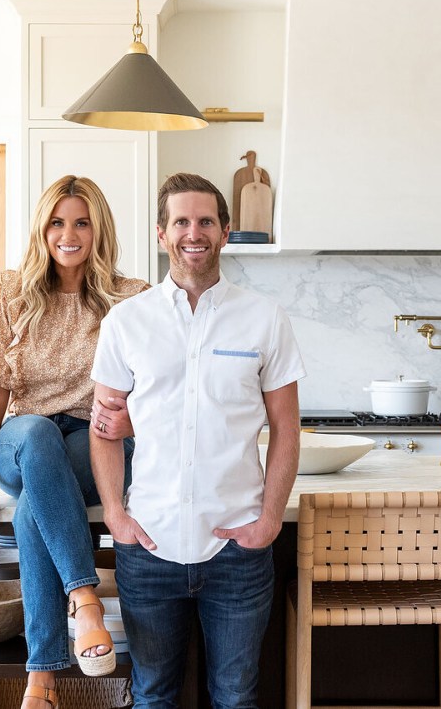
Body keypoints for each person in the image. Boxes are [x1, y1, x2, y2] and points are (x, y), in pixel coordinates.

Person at [89, 172, 306, 709]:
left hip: (237, 549)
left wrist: (271, 519)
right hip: (150, 547)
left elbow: (287, 427)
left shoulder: (264, 319)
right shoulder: (126, 322)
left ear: (225, 232)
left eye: (206, 221)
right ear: (162, 234)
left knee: (235, 697)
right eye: (181, 221)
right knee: (152, 696)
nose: (194, 232)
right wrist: (116, 515)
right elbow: (104, 428)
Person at [0, 174, 149, 709]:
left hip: (98, 442)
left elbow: (161, 385)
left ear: (99, 230)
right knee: (40, 436)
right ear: (43, 229)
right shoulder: (11, 293)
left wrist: (131, 421)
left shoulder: (130, 298)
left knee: (33, 513)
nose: (69, 234)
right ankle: (84, 598)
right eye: (57, 222)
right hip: (23, 438)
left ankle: (41, 678)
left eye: (82, 223)